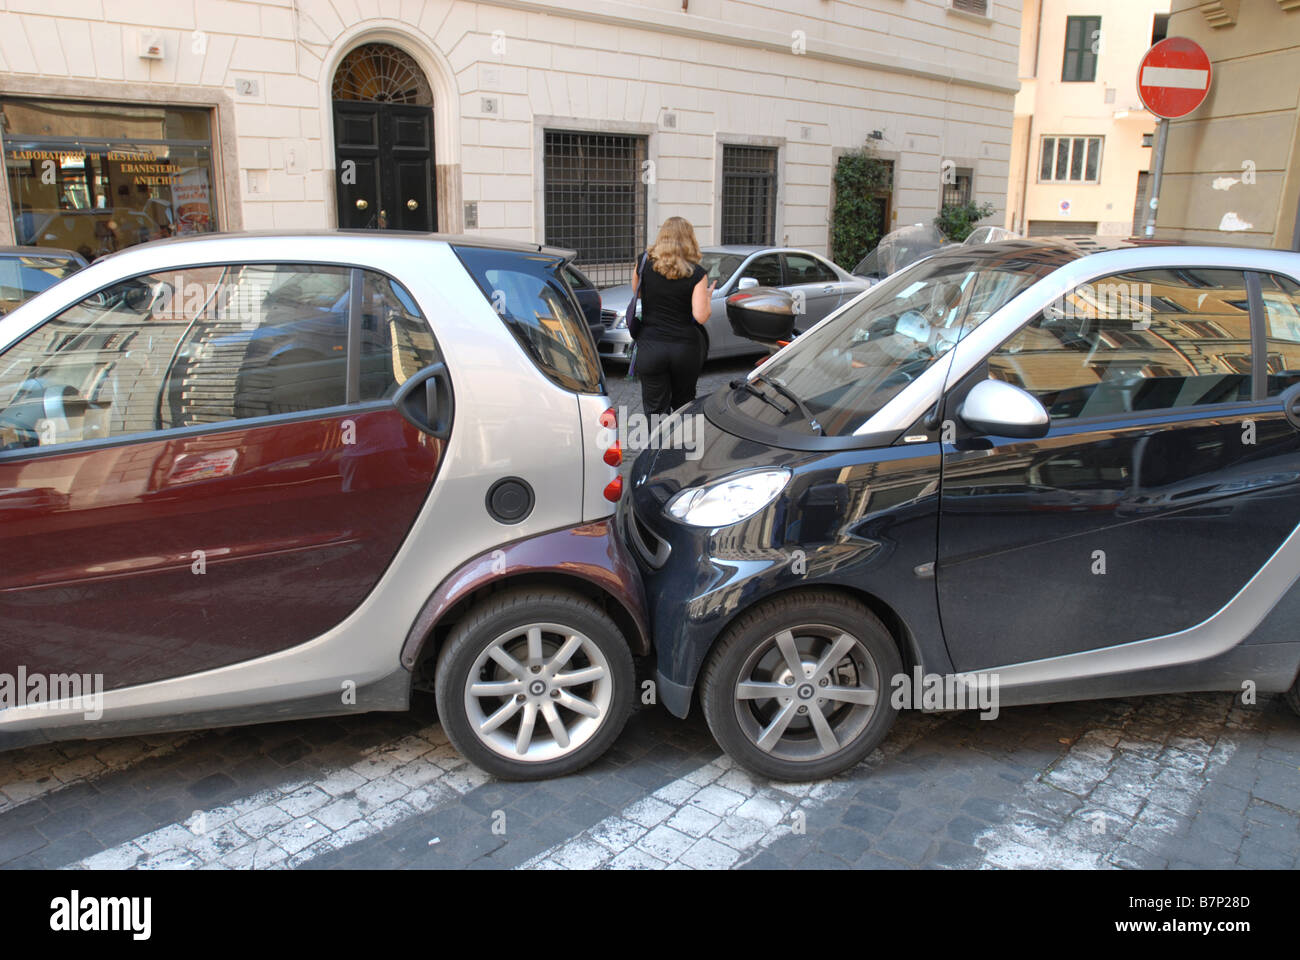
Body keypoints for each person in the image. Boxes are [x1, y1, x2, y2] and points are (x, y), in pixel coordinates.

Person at [632, 217, 715, 416]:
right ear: (690, 240)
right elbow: (700, 316)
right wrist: (708, 298)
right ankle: (680, 446)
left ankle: (656, 446)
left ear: (663, 237)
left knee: (654, 412)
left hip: (651, 346)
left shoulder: (643, 262)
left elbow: (637, 292)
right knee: (684, 407)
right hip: (684, 349)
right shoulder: (697, 273)